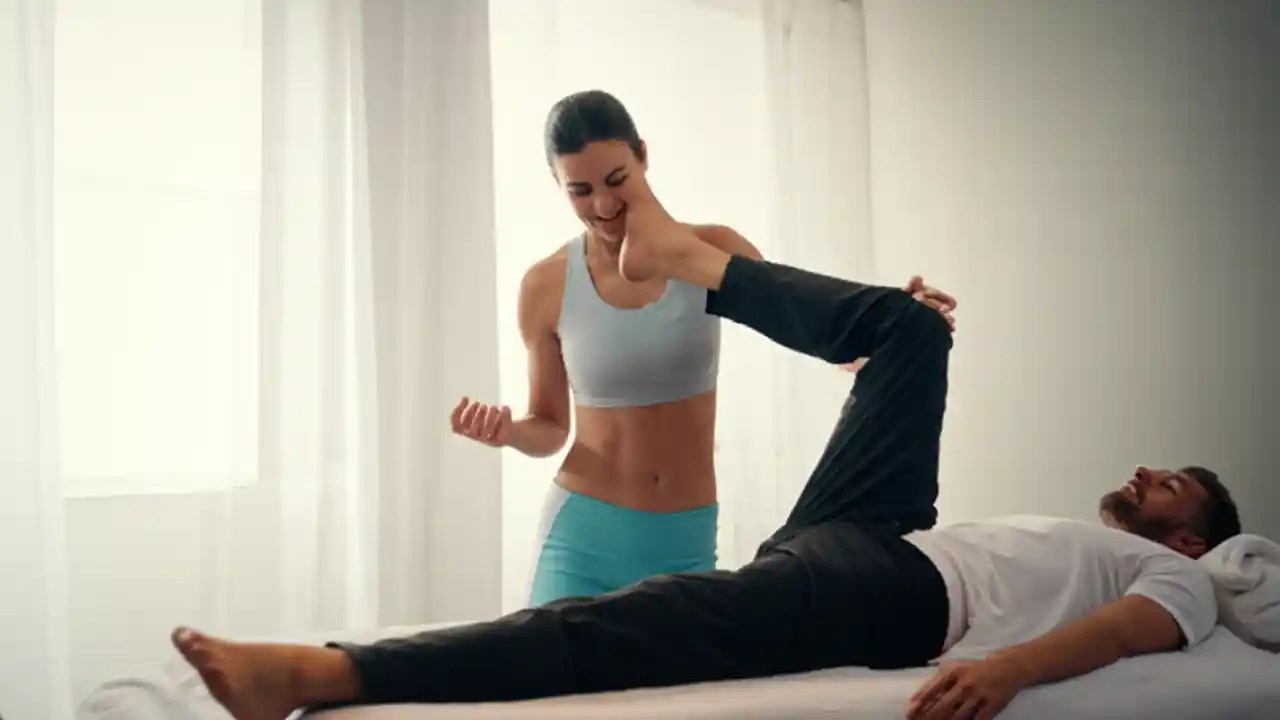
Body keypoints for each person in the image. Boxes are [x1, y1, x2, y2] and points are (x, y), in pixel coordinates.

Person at [171, 186, 1241, 720]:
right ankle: (700, 266)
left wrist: (1000, 674)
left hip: (894, 599)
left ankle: (331, 669)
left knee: (621, 630)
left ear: (1191, 536)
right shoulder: (1103, 540)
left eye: (1170, 486)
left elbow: (1112, 636)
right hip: (879, 539)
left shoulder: (1177, 584)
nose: (1145, 474)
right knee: (911, 331)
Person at [449, 89, 956, 606]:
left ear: (643, 156)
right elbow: (551, 427)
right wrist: (508, 432)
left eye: (617, 179)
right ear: (557, 185)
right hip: (582, 537)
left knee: (682, 686)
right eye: (579, 190)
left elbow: (817, 330)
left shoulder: (711, 251)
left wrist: (898, 324)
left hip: (684, 539)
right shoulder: (545, 285)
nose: (602, 205)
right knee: (552, 682)